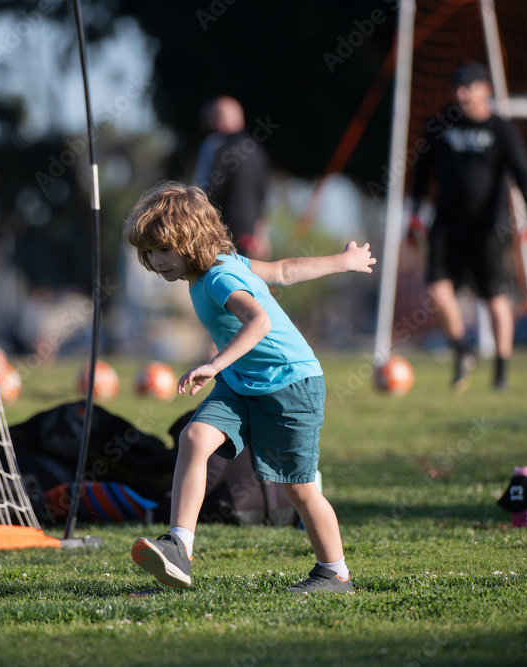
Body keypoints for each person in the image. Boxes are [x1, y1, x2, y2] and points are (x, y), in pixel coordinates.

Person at [122, 181, 376, 593]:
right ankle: (178, 548)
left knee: (300, 489)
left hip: (290, 384)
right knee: (196, 436)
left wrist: (214, 363)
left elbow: (259, 321)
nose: (157, 260)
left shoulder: (220, 276)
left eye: (165, 250)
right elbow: (283, 271)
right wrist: (343, 260)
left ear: (192, 240)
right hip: (242, 384)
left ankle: (335, 571)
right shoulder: (225, 263)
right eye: (150, 252)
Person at [409, 62, 527, 391]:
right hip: (446, 226)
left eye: (469, 86)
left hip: (489, 229)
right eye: (457, 87)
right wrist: (415, 212)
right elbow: (421, 171)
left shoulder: (500, 129)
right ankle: (462, 349)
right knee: (437, 291)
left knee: (494, 299)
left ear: (485, 90)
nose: (461, 93)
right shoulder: (440, 125)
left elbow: (521, 172)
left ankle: (501, 372)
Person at [192, 96, 271, 259]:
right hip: (250, 236)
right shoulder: (257, 151)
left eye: (214, 118)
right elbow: (263, 195)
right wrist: (261, 235)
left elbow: (205, 191)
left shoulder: (215, 146)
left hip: (220, 233)